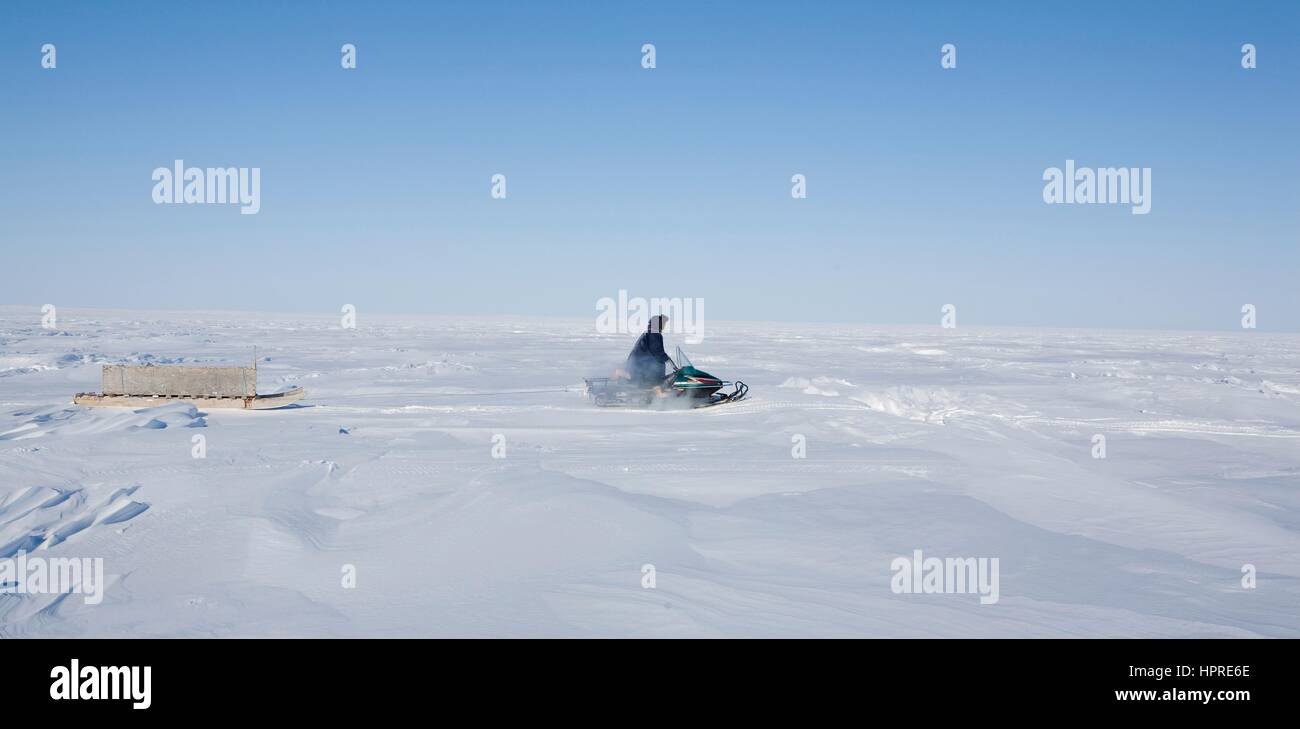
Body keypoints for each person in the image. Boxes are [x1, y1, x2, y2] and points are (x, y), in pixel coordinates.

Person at [620, 314, 675, 389]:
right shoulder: (654, 334)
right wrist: (667, 359)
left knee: (656, 382)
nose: (664, 326)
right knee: (657, 384)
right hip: (643, 368)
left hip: (641, 366)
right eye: (663, 323)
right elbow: (657, 352)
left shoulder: (649, 333)